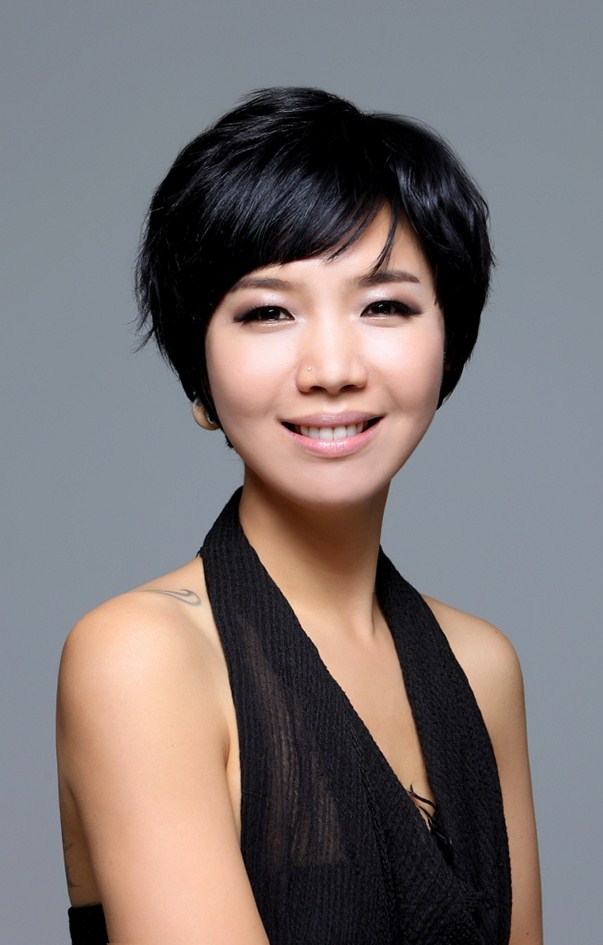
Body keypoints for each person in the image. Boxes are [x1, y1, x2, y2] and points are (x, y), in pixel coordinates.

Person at [56, 87, 542, 945]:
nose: (331, 367)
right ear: (201, 374)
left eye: (384, 305)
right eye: (268, 311)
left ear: (447, 346)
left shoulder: (481, 666)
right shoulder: (141, 657)